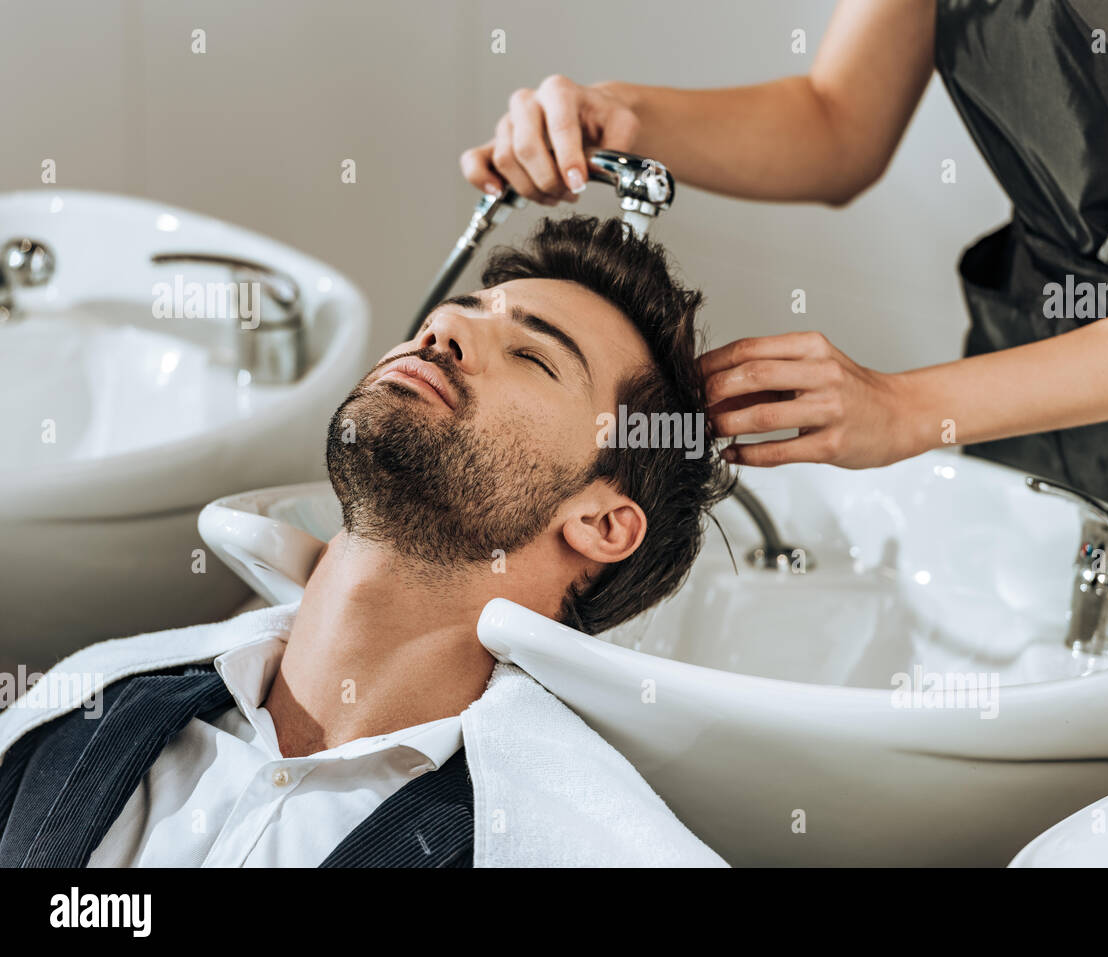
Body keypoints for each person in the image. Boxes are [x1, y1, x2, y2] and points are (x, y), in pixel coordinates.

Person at [460, 0, 1108, 756]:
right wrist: (626, 115)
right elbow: (837, 124)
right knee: (1038, 737)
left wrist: (906, 409)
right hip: (1031, 392)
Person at [0, 215, 733, 868]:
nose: (444, 329)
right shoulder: (82, 714)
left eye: (533, 356)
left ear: (601, 523)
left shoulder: (544, 839)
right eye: (459, 312)